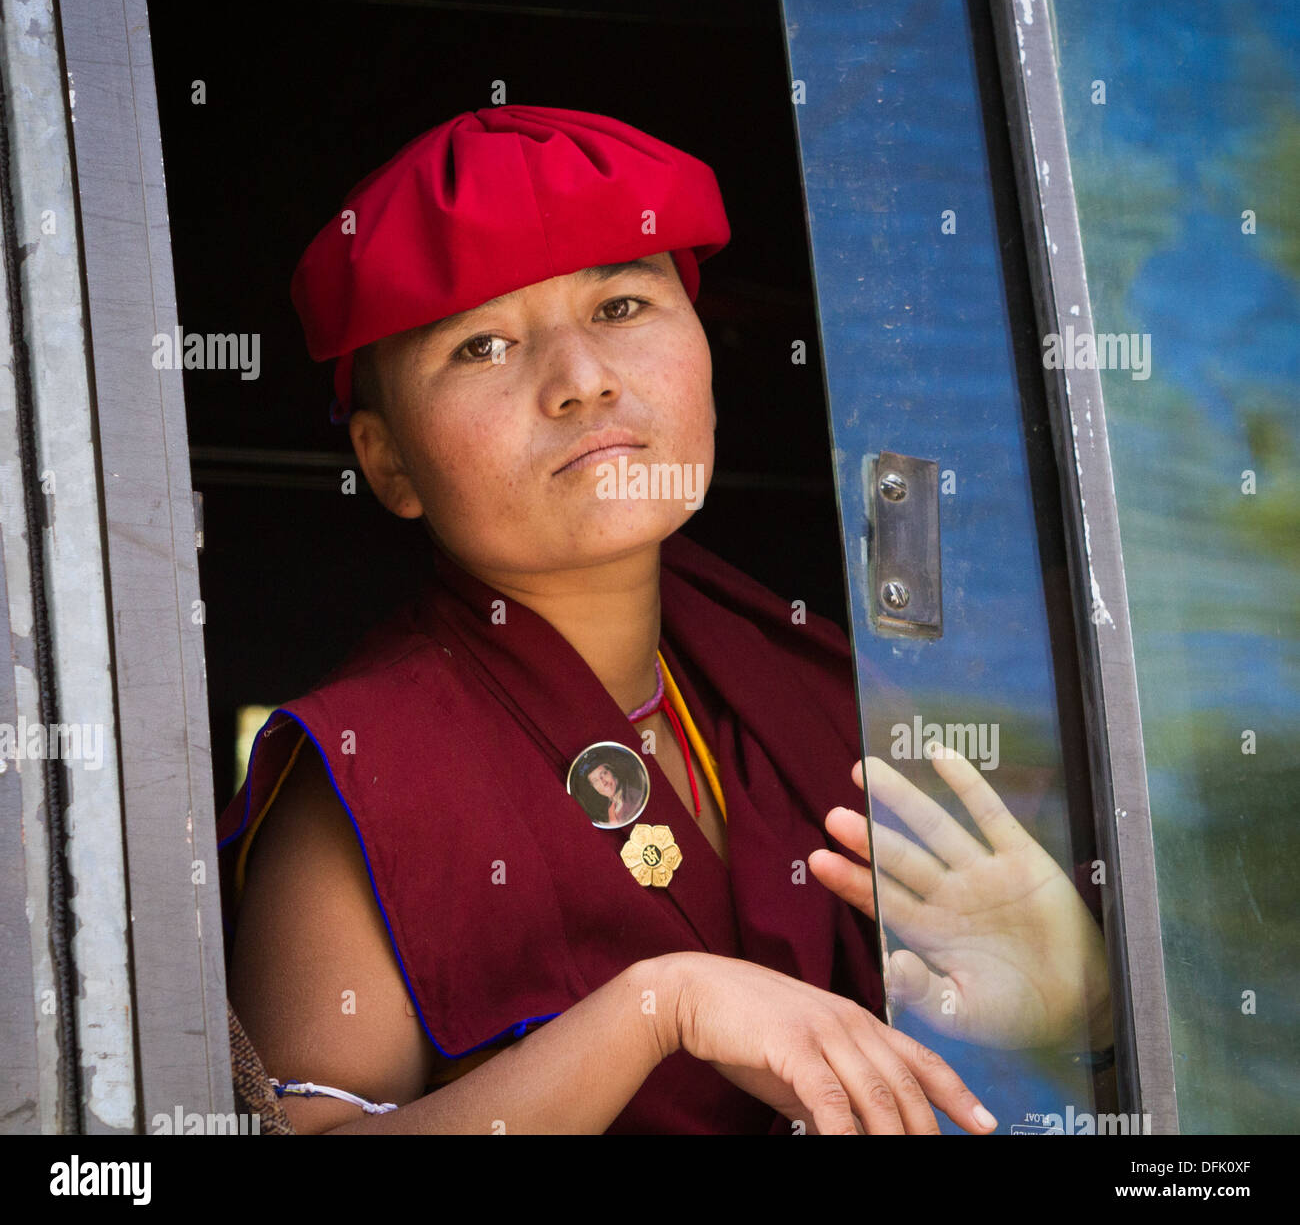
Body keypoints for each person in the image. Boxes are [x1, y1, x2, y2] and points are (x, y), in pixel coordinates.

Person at [216, 105, 1031, 1135]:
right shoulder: (364, 775)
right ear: (386, 461)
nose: (581, 379)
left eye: (620, 306)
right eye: (481, 345)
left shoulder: (813, 683)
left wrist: (1081, 1002)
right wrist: (660, 1007)